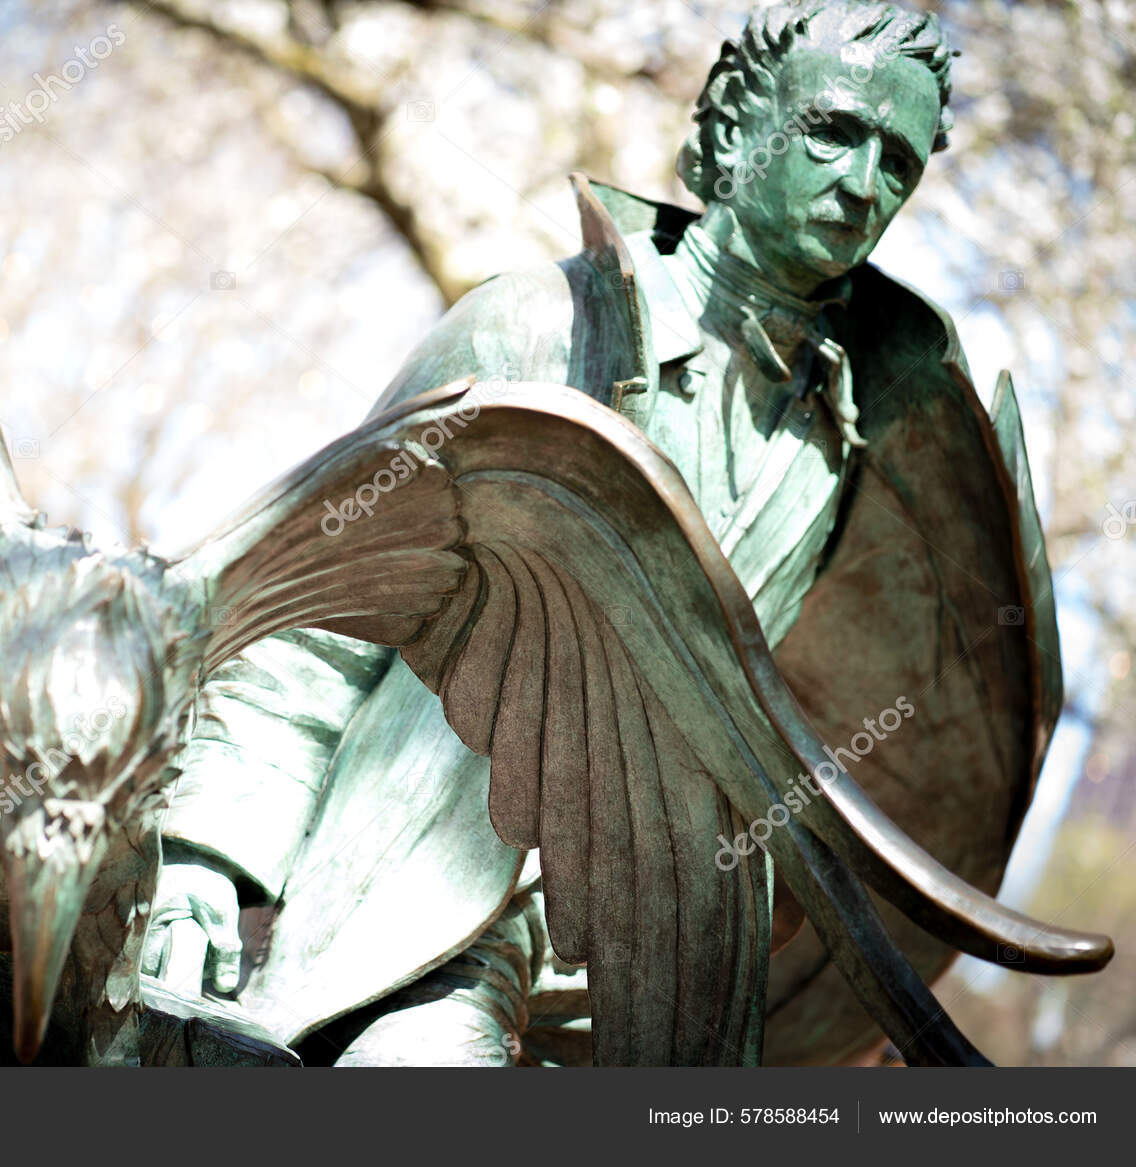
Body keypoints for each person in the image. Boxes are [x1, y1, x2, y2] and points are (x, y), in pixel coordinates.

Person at [144, 1, 1058, 1065]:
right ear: (729, 128)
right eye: (832, 130)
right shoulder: (537, 324)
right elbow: (319, 612)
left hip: (615, 984)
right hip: (385, 906)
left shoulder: (838, 449)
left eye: (897, 164)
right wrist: (202, 854)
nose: (862, 187)